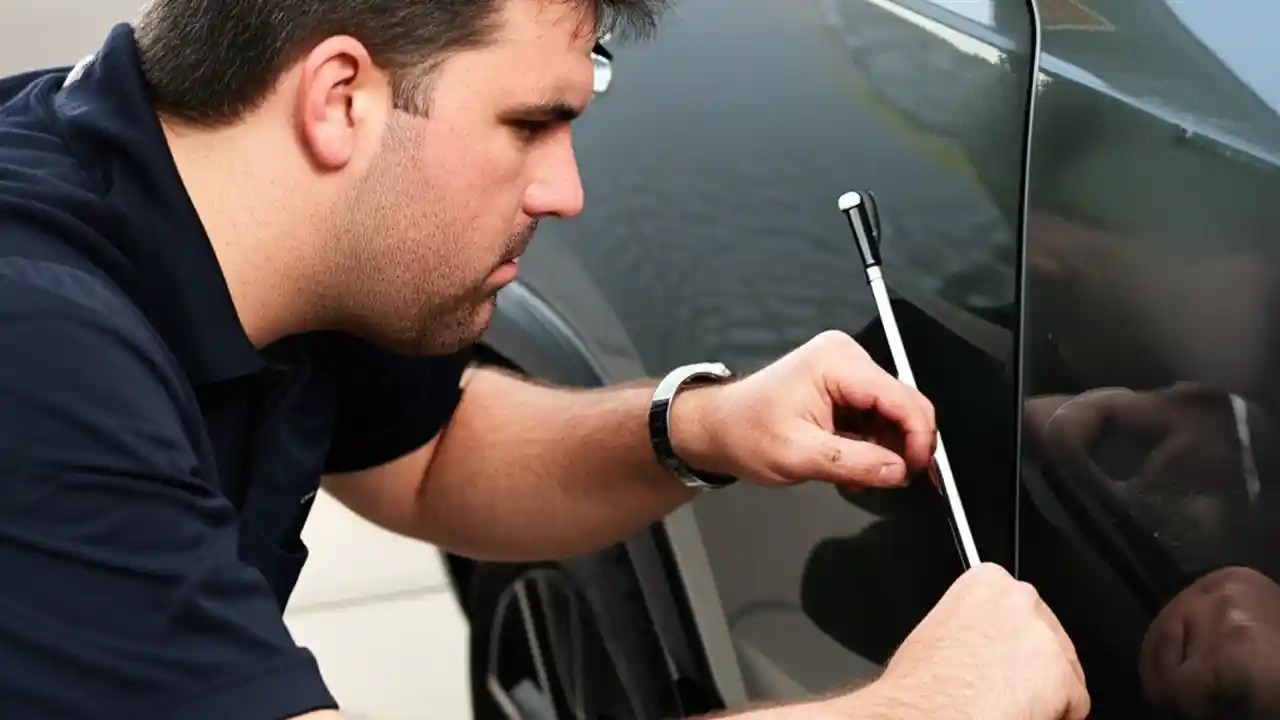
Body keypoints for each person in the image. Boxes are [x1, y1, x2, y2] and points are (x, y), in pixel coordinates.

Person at [0, 1, 1089, 718]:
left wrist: (694, 427)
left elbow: (429, 460)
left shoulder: (216, 208)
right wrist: (922, 706)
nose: (564, 192)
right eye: (529, 123)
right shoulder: (36, 349)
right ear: (340, 98)